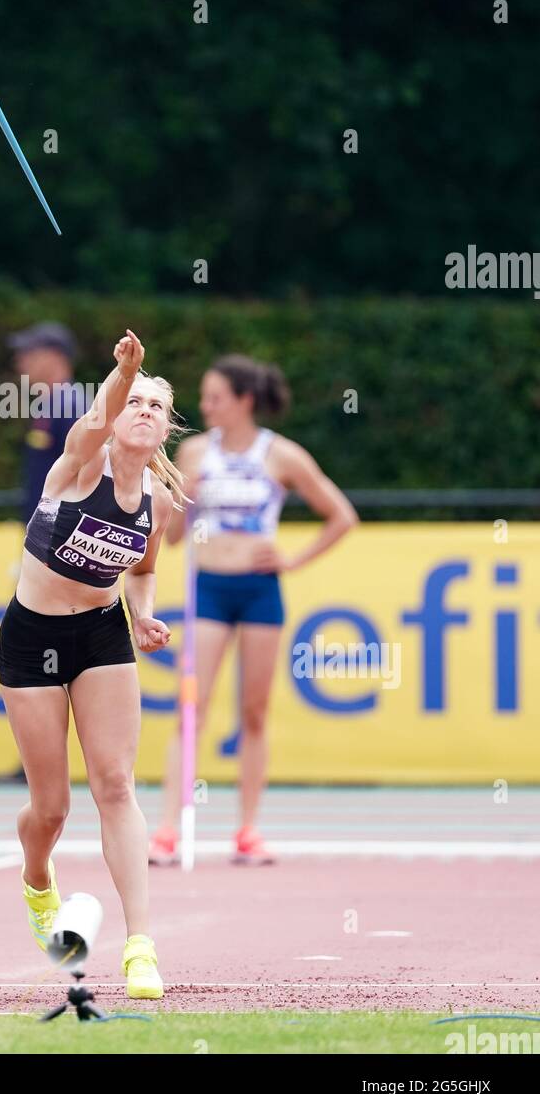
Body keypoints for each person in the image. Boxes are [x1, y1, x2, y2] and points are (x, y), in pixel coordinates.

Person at [0, 330, 186, 999]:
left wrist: (143, 614)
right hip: (32, 638)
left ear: (165, 428)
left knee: (114, 783)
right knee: (50, 808)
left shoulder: (157, 503)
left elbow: (141, 570)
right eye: (133, 402)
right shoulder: (80, 465)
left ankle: (139, 946)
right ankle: (36, 879)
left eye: (153, 407)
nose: (140, 412)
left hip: (102, 637)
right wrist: (123, 371)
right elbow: (95, 418)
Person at [150, 354, 357, 865]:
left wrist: (290, 559)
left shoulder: (281, 456)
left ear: (244, 401)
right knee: (190, 707)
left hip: (260, 589)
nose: (204, 406)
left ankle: (248, 829)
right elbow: (173, 538)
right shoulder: (195, 453)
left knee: (254, 712)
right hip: (210, 590)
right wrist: (186, 499)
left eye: (215, 397)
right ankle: (169, 829)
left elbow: (341, 516)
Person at [0, 321, 86, 786]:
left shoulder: (70, 404)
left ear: (53, 356)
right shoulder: (56, 404)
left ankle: (43, 766)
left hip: (55, 546)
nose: (21, 364)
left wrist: (50, 542)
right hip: (48, 541)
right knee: (46, 652)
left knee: (42, 650)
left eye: (29, 355)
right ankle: (43, 763)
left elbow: (81, 481)